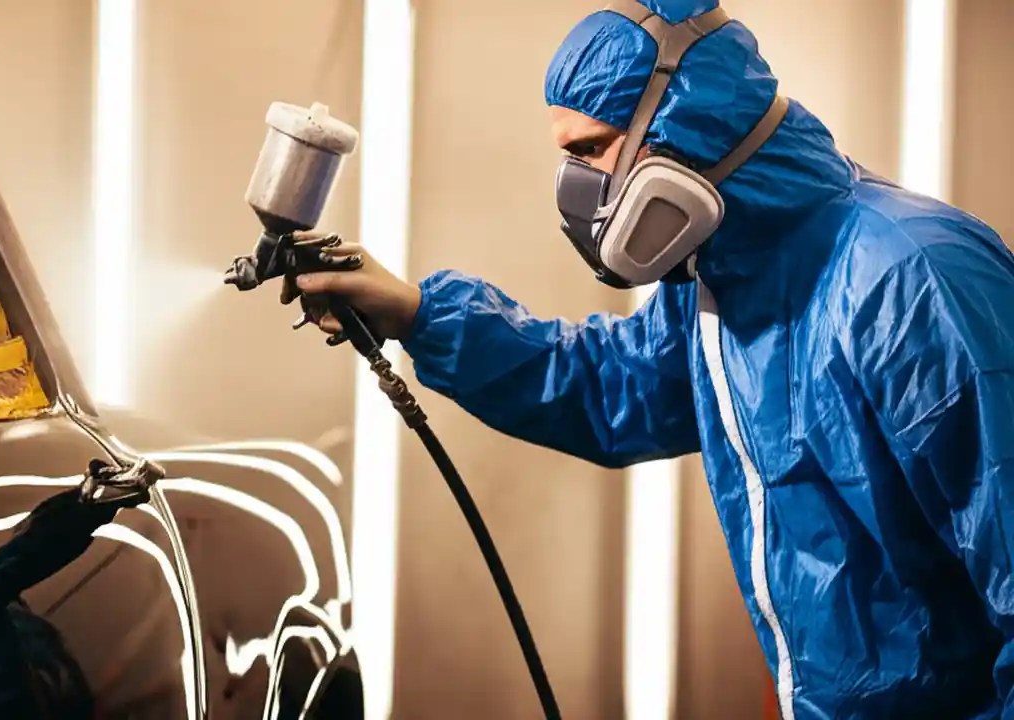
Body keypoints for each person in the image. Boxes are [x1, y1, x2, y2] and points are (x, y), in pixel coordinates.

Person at [287, 0, 1014, 718]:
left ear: (683, 129)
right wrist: (417, 312)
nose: (580, 191)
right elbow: (611, 388)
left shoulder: (914, 277)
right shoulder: (725, 283)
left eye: (590, 151)